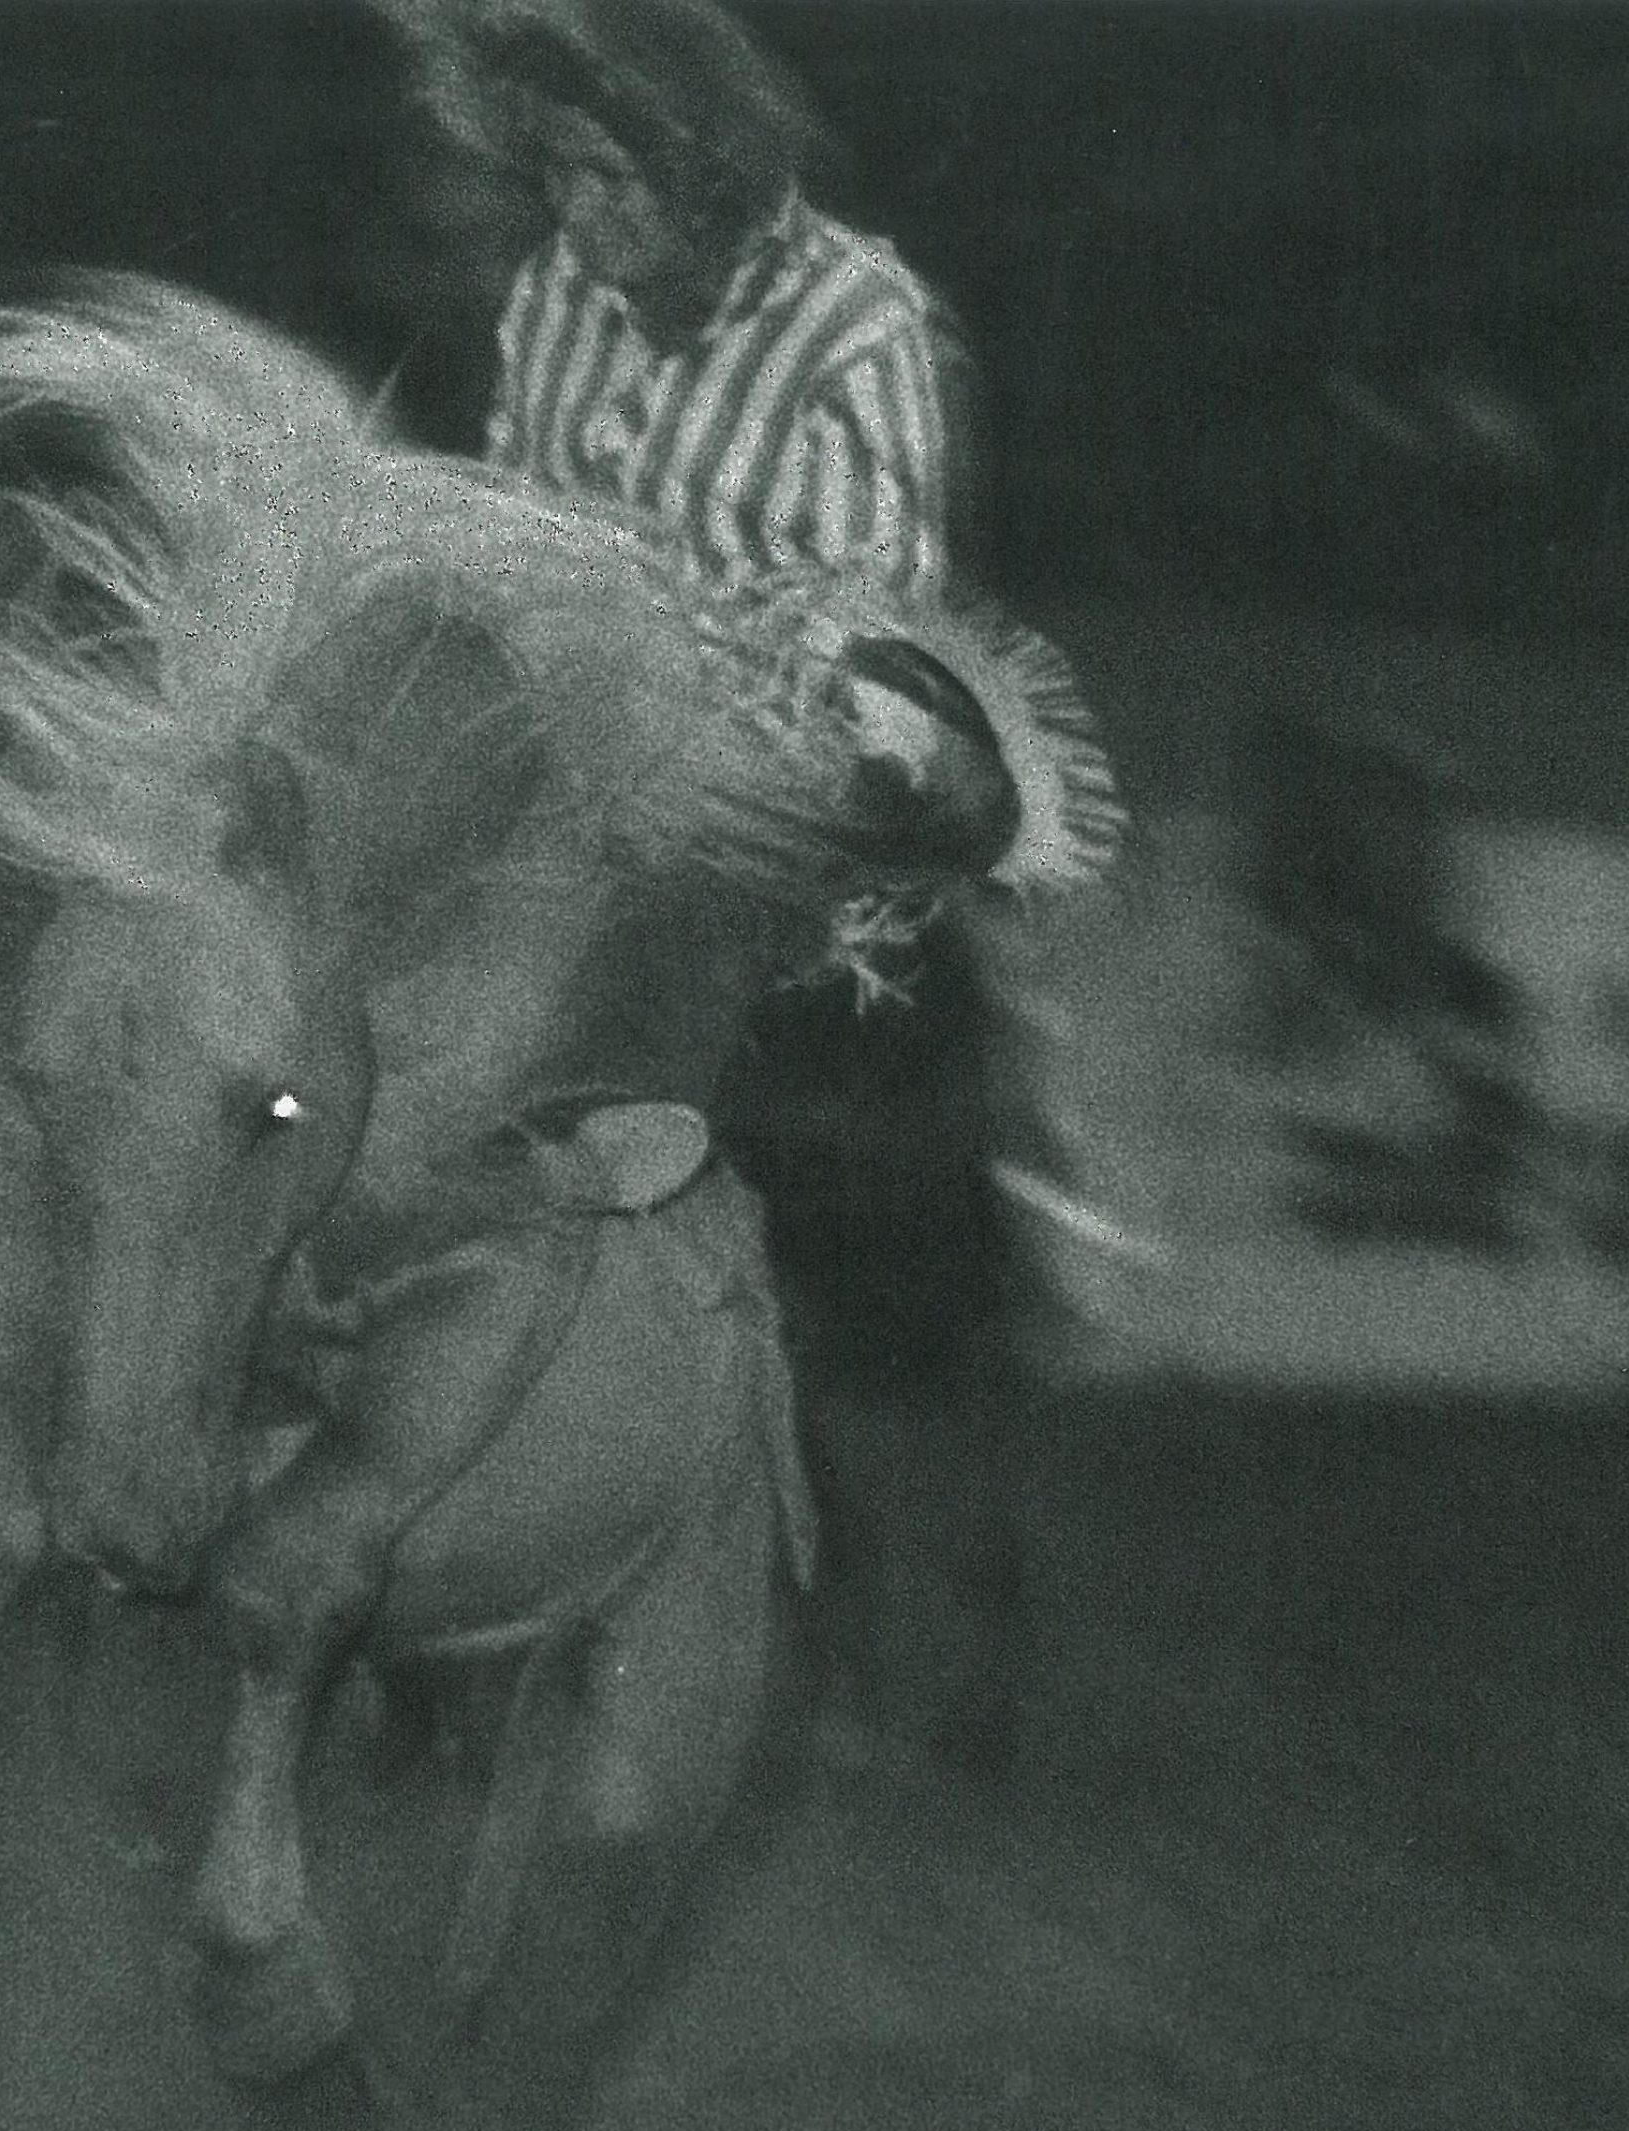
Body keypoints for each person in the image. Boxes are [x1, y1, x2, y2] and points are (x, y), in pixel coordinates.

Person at [387, 0, 1126, 1776]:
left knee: (848, 1310)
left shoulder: (860, 320)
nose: (581, 211)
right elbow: (518, 516)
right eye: (554, 170)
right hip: (597, 773)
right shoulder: (551, 300)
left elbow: (860, 595)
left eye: (612, 171)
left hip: (800, 762)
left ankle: (929, 1628)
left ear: (703, 170)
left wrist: (672, 698)